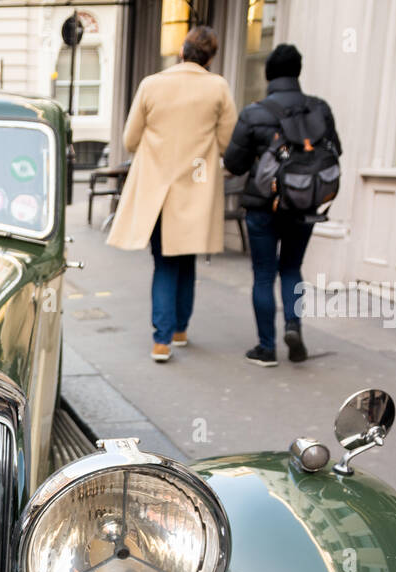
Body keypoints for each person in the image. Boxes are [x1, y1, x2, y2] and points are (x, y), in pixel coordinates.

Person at [108, 26, 237, 363]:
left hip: (157, 189)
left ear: (182, 51)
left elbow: (130, 139)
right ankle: (180, 329)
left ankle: (161, 340)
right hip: (196, 187)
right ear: (210, 57)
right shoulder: (218, 87)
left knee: (164, 262)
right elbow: (227, 141)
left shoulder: (152, 84)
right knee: (186, 259)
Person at [224, 43, 341, 366]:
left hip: (263, 207)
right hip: (305, 204)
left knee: (264, 275)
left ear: (269, 74)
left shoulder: (254, 112)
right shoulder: (320, 108)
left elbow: (234, 163)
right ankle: (294, 325)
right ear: (298, 72)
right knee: (291, 268)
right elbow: (335, 151)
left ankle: (266, 348)